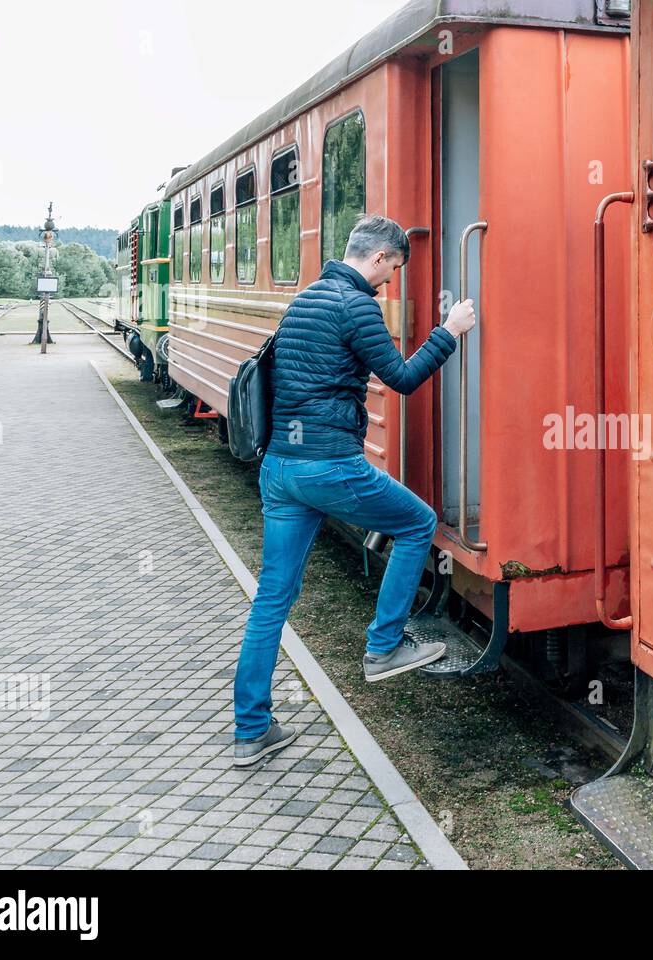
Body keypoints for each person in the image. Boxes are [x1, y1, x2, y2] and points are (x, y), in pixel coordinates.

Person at [232, 214, 476, 767]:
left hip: (281, 469)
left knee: (272, 600)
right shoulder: (356, 305)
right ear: (380, 258)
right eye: (390, 273)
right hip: (328, 466)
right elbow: (404, 378)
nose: (388, 284)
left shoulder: (305, 300)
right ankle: (385, 645)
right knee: (417, 523)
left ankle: (251, 730)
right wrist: (450, 332)